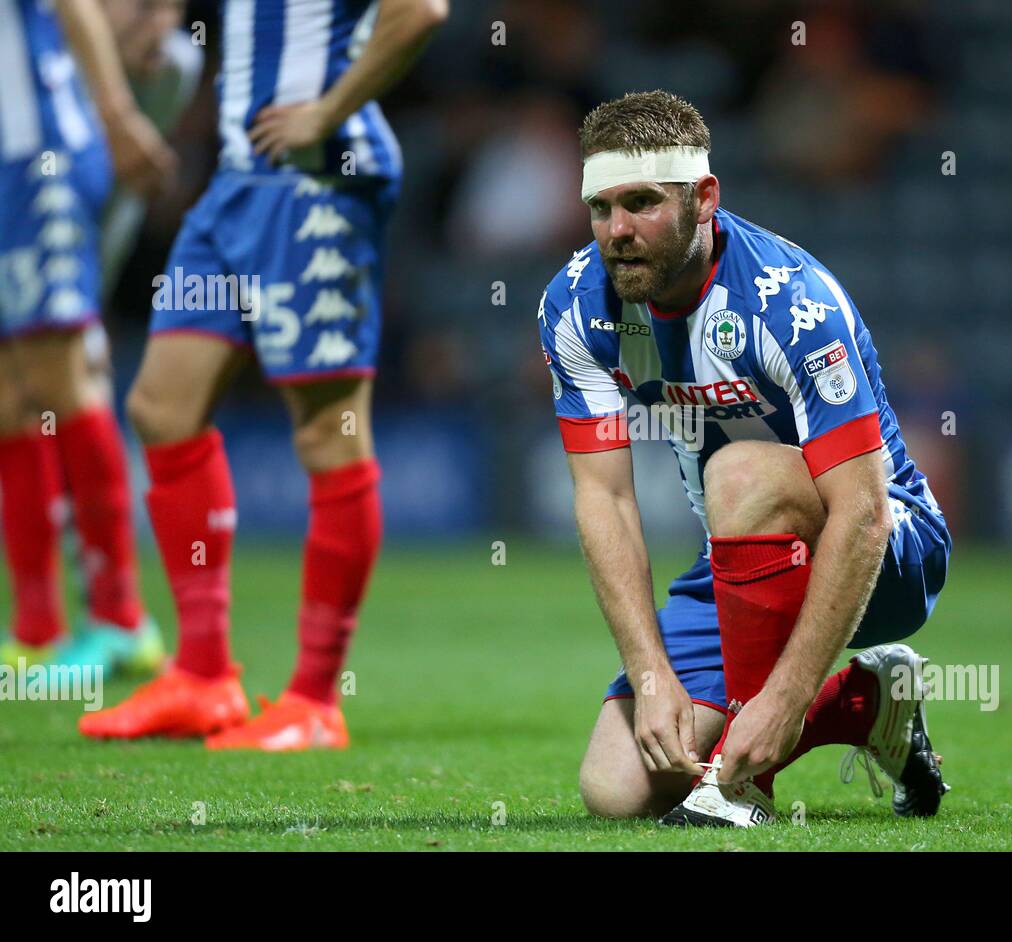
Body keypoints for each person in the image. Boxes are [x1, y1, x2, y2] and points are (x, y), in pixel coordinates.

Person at [539, 90, 951, 827]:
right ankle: (868, 702)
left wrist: (786, 698)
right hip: (743, 560)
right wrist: (649, 672)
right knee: (619, 786)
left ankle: (738, 789)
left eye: (641, 202)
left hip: (889, 543)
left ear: (703, 197)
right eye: (601, 208)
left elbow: (864, 508)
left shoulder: (792, 302)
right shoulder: (576, 308)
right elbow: (604, 497)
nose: (618, 231)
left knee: (739, 470)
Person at [79, 0, 451, 750]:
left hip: (320, 180)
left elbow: (422, 11)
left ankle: (315, 698)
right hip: (236, 183)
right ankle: (203, 676)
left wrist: (327, 112)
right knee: (161, 407)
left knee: (328, 429)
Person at [0, 0, 176, 679]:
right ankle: (38, 628)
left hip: (38, 155)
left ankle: (120, 619)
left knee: (63, 380)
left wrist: (116, 112)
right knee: (12, 399)